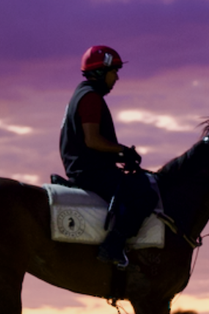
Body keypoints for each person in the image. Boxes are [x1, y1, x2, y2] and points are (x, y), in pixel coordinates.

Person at [59, 45, 157, 268]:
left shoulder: (81, 95)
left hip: (85, 168)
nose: (117, 78)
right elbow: (92, 140)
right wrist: (123, 151)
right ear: (100, 72)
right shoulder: (91, 98)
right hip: (91, 173)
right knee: (145, 196)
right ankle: (112, 246)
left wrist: (121, 155)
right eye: (114, 72)